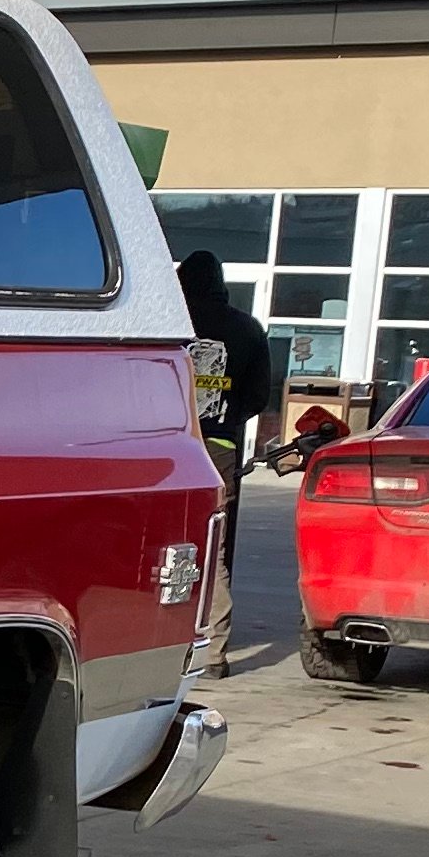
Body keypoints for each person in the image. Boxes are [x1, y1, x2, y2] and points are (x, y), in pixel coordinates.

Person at [179, 251, 279, 675]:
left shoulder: (170, 324)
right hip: (219, 449)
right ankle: (215, 652)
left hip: (167, 447)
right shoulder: (247, 329)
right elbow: (258, 396)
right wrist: (228, 417)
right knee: (213, 547)